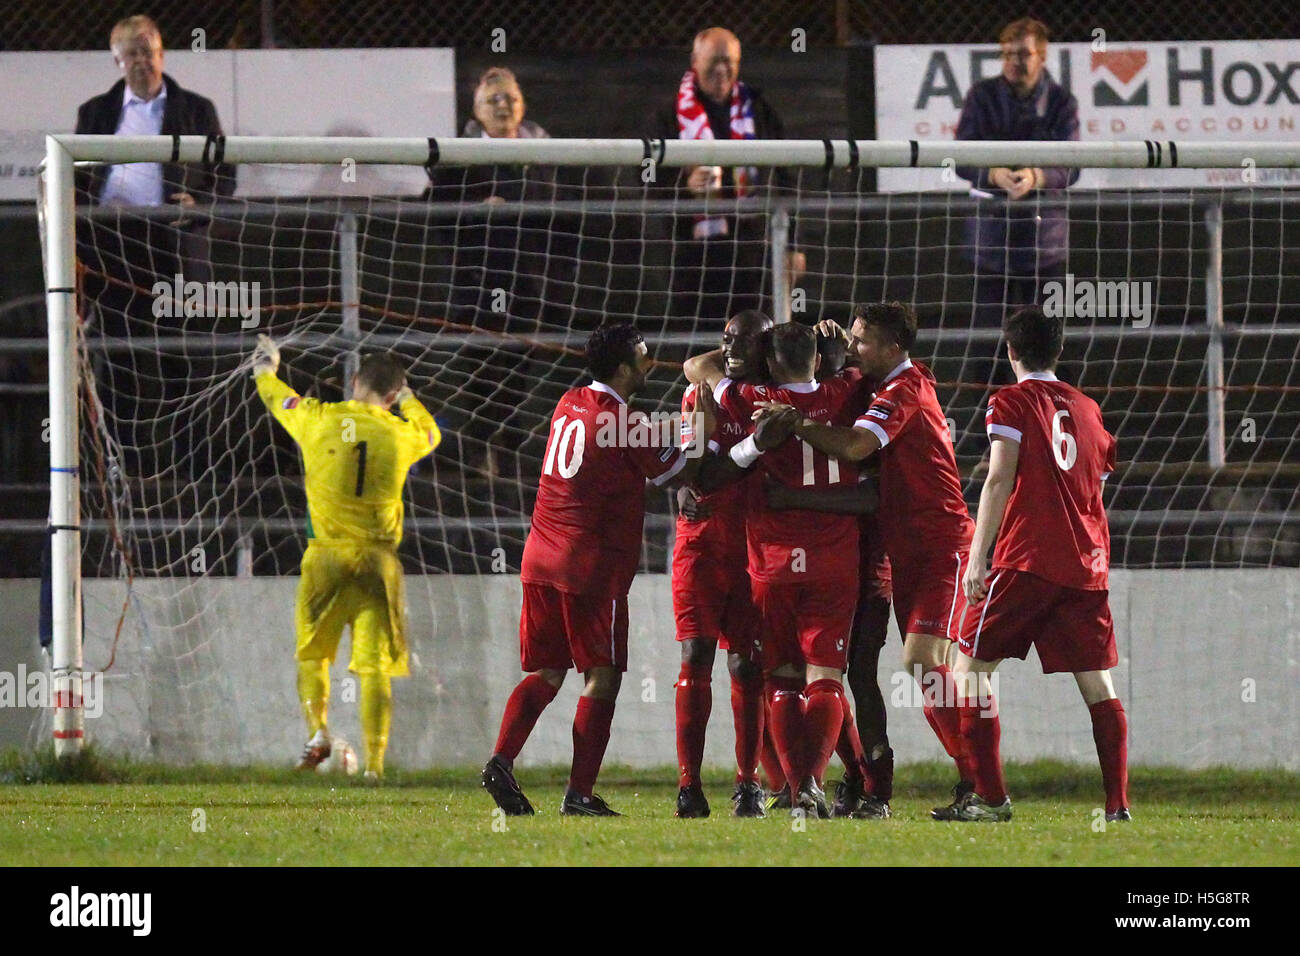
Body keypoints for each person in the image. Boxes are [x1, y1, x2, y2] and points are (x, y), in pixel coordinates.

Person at [482, 324, 717, 817]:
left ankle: (500, 760)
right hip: (588, 569)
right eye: (644, 357)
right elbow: (687, 469)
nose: (651, 363)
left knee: (549, 671)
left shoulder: (568, 402)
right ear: (624, 368)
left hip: (540, 557)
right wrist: (702, 421)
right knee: (602, 677)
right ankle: (579, 795)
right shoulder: (627, 422)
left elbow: (619, 458)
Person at [752, 304, 979, 812]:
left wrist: (795, 423)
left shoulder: (899, 391)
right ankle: (872, 782)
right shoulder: (871, 385)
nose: (853, 350)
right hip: (896, 550)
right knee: (858, 670)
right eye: (848, 341)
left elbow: (856, 449)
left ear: (894, 346)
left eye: (863, 341)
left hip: (930, 543)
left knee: (915, 663)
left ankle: (974, 780)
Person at [936, 307, 1128, 822]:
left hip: (1026, 560)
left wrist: (980, 558)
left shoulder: (1010, 400)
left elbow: (999, 479)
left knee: (968, 669)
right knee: (1097, 684)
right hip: (1087, 565)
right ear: (1059, 351)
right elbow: (1092, 483)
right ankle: (1117, 806)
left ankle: (992, 800)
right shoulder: (1088, 408)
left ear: (1010, 350)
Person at [685, 323, 865, 818]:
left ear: (769, 358)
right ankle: (815, 785)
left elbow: (698, 367)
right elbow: (849, 369)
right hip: (834, 556)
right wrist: (836, 346)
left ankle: (796, 783)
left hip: (774, 558)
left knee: (782, 678)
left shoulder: (750, 399)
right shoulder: (849, 391)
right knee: (827, 676)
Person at [251, 335, 441, 780]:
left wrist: (265, 367)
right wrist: (409, 399)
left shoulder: (318, 418)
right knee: (375, 668)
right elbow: (432, 431)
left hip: (326, 560)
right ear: (392, 397)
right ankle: (374, 769)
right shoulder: (403, 432)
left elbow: (277, 398)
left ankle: (318, 732)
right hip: (378, 563)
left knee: (313, 656)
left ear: (353, 381)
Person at [75, 14, 235, 482]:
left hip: (176, 249)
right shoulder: (95, 112)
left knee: (181, 359)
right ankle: (119, 465)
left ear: (162, 52)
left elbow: (226, 176)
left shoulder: (196, 109)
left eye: (148, 50)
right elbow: (77, 178)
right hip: (114, 250)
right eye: (131, 52)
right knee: (118, 362)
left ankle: (191, 469)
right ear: (117, 60)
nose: (141, 60)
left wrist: (199, 202)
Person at [671, 309, 773, 818]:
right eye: (726, 339)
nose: (730, 348)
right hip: (701, 541)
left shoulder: (773, 401)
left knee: (746, 664)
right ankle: (689, 787)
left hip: (755, 547)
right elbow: (689, 462)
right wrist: (684, 484)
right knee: (695, 657)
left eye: (743, 341)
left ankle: (748, 784)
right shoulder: (700, 393)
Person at [650, 27, 803, 325]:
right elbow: (647, 182)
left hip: (753, 251)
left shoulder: (758, 111)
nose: (721, 70)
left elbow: (787, 179)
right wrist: (685, 187)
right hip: (691, 254)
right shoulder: (668, 116)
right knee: (698, 346)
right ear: (695, 61)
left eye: (728, 61)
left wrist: (794, 245)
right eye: (714, 61)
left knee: (758, 338)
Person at [955, 17, 1080, 334]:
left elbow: (1073, 164)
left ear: (1042, 56)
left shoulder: (1062, 102)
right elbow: (958, 158)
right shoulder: (981, 96)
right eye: (1007, 54)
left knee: (1046, 343)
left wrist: (1036, 177)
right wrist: (994, 175)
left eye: (1023, 54)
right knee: (987, 344)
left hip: (1045, 245)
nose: (1013, 62)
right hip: (990, 244)